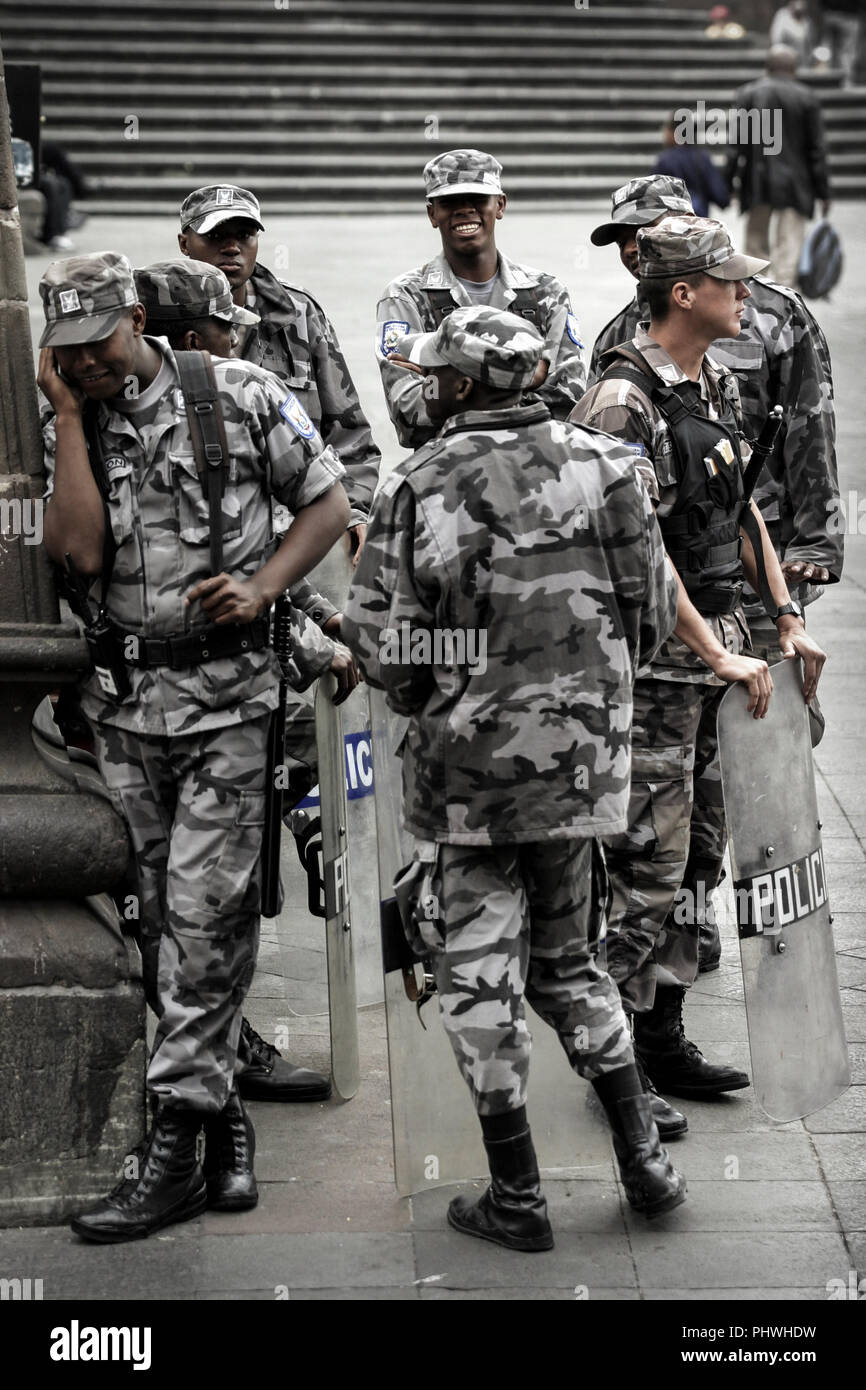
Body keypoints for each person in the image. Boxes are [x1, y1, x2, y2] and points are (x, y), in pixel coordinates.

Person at [344, 305, 686, 1252]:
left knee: (480, 981)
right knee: (572, 964)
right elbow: (651, 615)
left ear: (459, 385)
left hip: (469, 785)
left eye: (434, 375)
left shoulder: (419, 480)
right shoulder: (609, 467)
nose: (424, 385)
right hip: (581, 775)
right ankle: (646, 1162)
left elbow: (387, 651)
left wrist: (446, 682)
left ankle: (520, 1198)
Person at [37, 251, 350, 1241]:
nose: (84, 363)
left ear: (136, 316)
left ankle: (171, 1151)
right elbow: (78, 553)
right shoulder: (74, 422)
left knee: (208, 919)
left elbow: (329, 504)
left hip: (225, 703)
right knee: (166, 925)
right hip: (128, 713)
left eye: (97, 344)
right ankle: (227, 1132)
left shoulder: (239, 393)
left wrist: (263, 588)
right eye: (66, 353)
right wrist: (74, 417)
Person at [571, 218, 826, 1136]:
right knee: (645, 868)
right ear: (686, 294)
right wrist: (715, 650)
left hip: (716, 661)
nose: (747, 294)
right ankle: (611, 1063)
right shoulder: (620, 403)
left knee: (700, 861)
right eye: (732, 282)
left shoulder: (708, 377)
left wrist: (783, 620)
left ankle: (659, 1033)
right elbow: (635, 549)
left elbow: (743, 506)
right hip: (653, 674)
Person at [131, 257, 361, 1103]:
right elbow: (186, 568)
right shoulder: (121, 418)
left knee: (215, 901)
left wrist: (310, 624)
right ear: (192, 340)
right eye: (228, 328)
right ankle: (208, 1073)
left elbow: (249, 549)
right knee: (173, 907)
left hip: (231, 698)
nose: (242, 339)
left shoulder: (246, 397)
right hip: (145, 705)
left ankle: (215, 1063)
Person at [590, 175, 841, 682]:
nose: (634, 246)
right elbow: (624, 521)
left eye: (646, 230)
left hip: (760, 553)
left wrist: (816, 545)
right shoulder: (619, 344)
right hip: (676, 582)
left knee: (773, 722)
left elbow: (810, 426)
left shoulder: (774, 314)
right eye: (624, 237)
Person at [177, 183, 379, 562]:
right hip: (198, 527)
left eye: (245, 234)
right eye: (216, 235)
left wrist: (354, 509)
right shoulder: (158, 318)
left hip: (298, 522)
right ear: (184, 243)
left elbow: (350, 433)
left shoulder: (298, 314)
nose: (232, 246)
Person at [376, 148, 586, 450]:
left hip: (536, 471)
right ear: (432, 213)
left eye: (477, 199)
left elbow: (569, 399)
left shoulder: (546, 293)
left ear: (499, 205)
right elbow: (408, 413)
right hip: (445, 476)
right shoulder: (405, 297)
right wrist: (528, 375)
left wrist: (451, 379)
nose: (464, 210)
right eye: (449, 202)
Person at [727, 45, 830, 287]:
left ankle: (757, 293)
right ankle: (784, 295)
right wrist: (823, 191)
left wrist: (728, 181)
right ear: (794, 69)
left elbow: (736, 146)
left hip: (757, 181)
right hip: (796, 183)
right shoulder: (806, 97)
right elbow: (817, 149)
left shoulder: (748, 94)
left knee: (755, 244)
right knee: (790, 245)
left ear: (768, 67)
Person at [652, 112, 730, 218]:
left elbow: (650, 197)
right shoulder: (702, 158)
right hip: (698, 225)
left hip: (671, 226)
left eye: (667, 129)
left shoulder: (664, 160)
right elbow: (722, 198)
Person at [770, 1, 813, 67]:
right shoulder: (782, 16)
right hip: (785, 61)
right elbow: (776, 41)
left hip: (802, 62)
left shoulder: (806, 21)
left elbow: (809, 45)